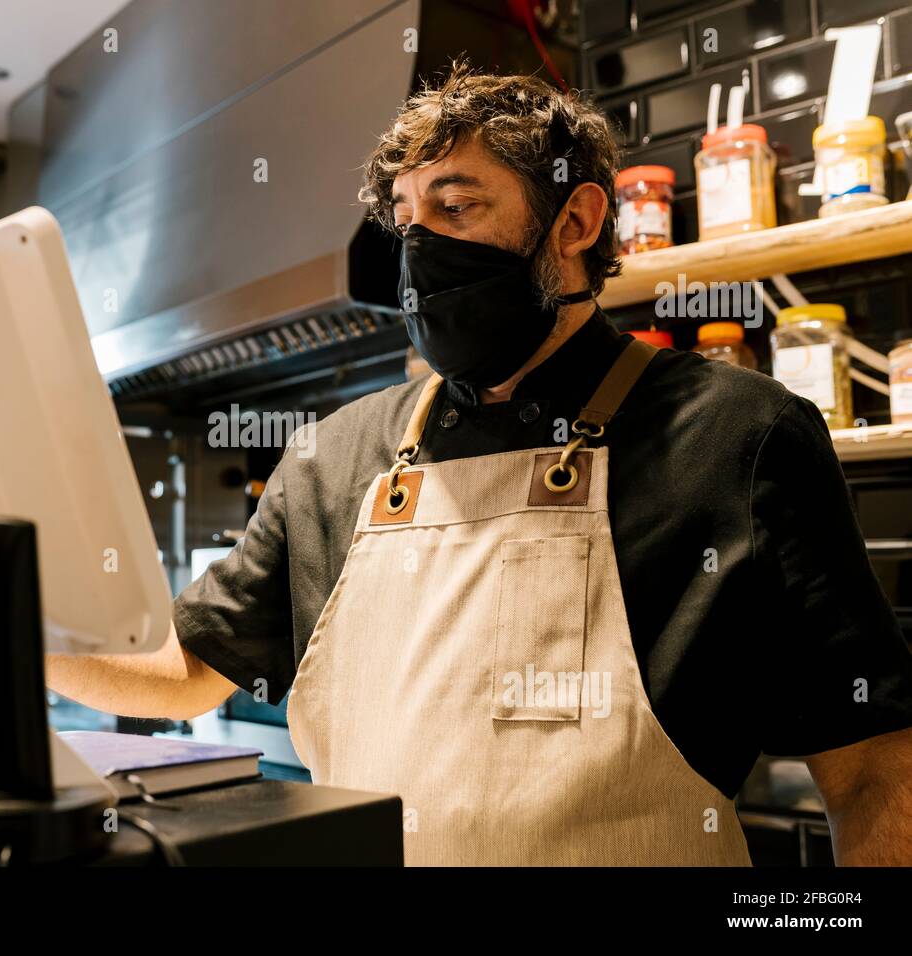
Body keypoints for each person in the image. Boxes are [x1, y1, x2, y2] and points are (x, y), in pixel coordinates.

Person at [48, 63, 912, 865]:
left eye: (456, 208)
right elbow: (186, 670)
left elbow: (873, 768)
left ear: (576, 222)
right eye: (406, 218)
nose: (420, 249)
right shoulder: (336, 455)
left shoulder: (739, 435)